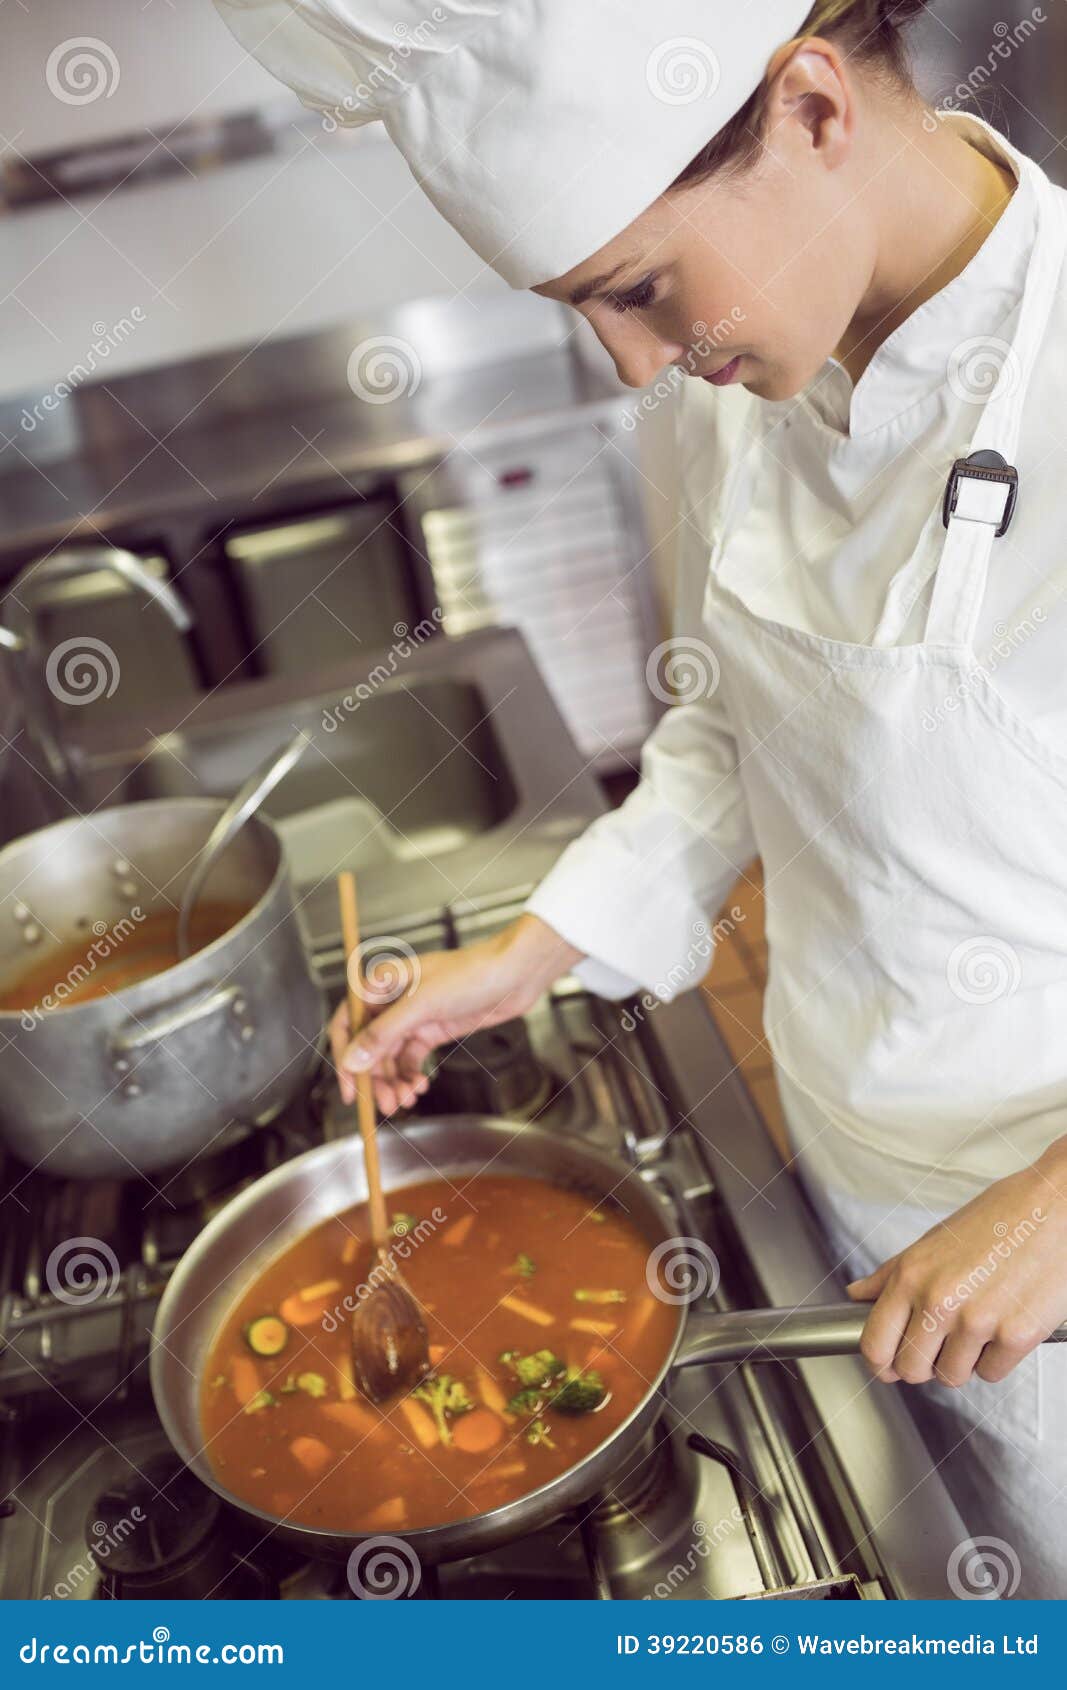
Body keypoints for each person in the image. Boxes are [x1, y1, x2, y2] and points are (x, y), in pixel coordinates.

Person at [214, 0, 1067, 1597]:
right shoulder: (766, 372)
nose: (637, 361)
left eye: (641, 289)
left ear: (813, 107)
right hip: (854, 1202)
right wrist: (528, 953)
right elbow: (736, 729)